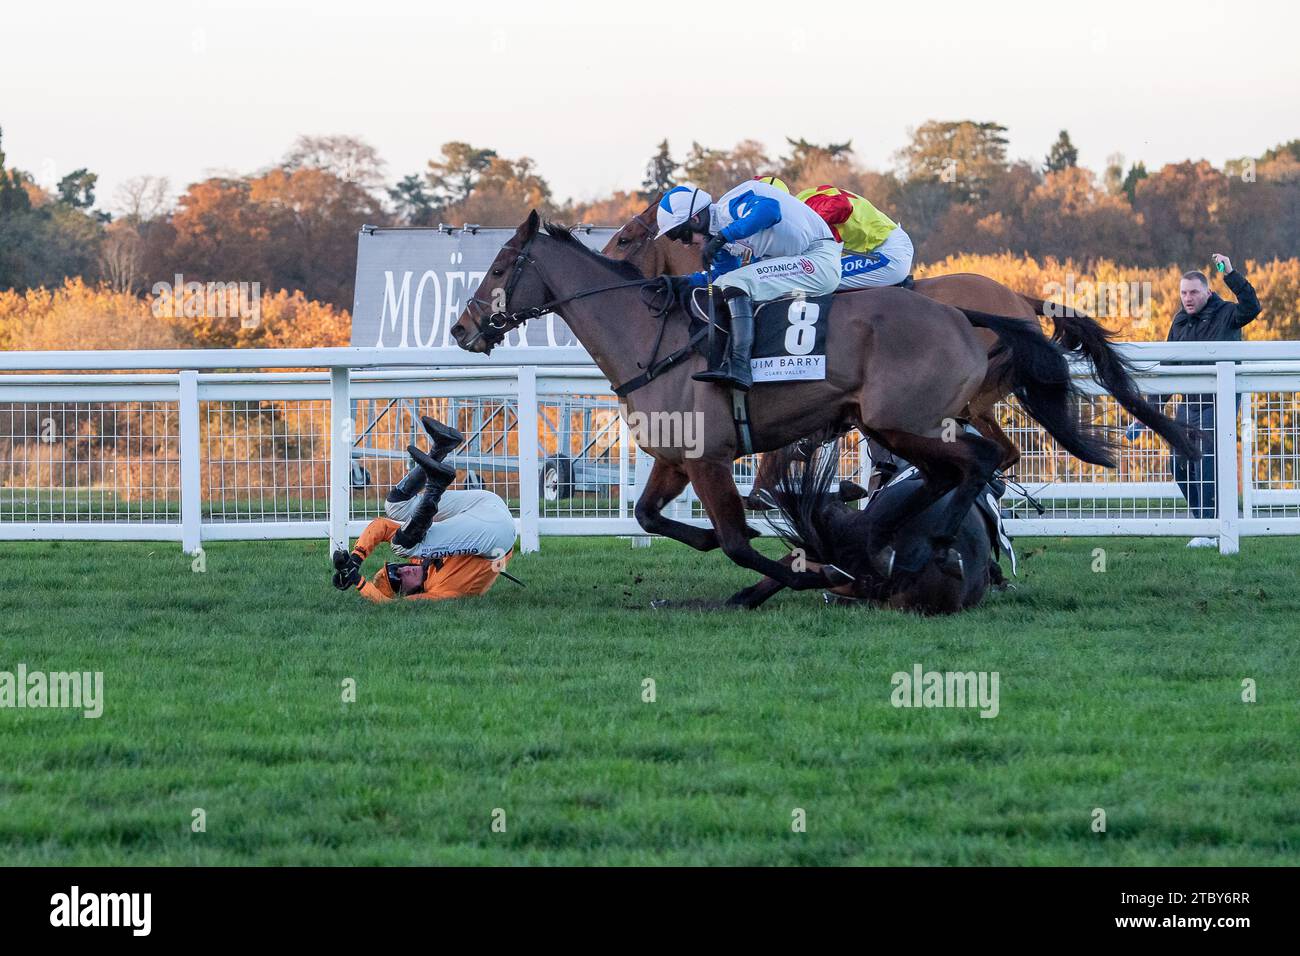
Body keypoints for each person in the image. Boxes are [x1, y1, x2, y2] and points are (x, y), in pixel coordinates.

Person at [655, 179, 843, 391]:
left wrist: (723, 237)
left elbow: (770, 210)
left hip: (818, 260)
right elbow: (721, 277)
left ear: (696, 219)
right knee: (727, 283)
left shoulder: (730, 207)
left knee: (736, 282)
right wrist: (683, 282)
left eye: (682, 234)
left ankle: (740, 366)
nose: (686, 244)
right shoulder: (719, 236)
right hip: (801, 262)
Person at [1127, 254, 1261, 547]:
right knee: (1178, 464)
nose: (1187, 298)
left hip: (1219, 402)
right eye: (1183, 293)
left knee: (1206, 461)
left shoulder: (1227, 313)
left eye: (1194, 292)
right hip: (1188, 404)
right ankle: (1205, 522)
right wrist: (1146, 415)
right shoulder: (1179, 322)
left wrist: (1231, 273)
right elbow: (1168, 368)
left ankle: (1209, 530)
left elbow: (1253, 306)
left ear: (1207, 292)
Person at [331, 416, 517, 601]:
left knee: (396, 507)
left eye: (395, 568)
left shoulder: (420, 557)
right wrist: (358, 581)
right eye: (397, 579)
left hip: (486, 504)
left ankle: (440, 448)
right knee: (401, 546)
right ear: (410, 592)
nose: (404, 570)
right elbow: (390, 606)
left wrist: (355, 560)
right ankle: (435, 486)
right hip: (498, 538)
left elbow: (382, 526)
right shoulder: (438, 591)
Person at [796, 184, 914, 290]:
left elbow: (842, 205)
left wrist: (811, 226)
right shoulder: (803, 200)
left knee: (810, 278)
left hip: (888, 254)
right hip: (886, 246)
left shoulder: (803, 207)